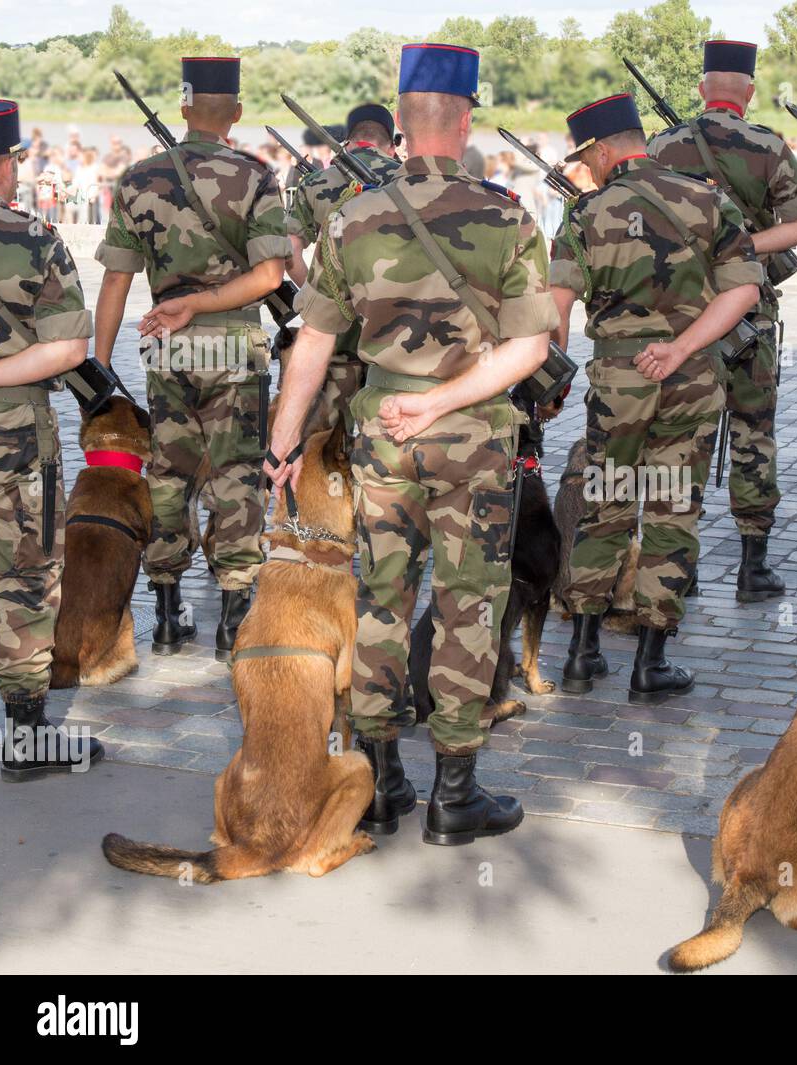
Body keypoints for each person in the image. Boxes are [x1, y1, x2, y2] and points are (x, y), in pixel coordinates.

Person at [266, 43, 557, 843]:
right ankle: (453, 795)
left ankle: (381, 778)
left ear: (399, 124)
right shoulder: (506, 216)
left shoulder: (353, 218)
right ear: (463, 122)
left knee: (382, 599)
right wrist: (443, 400)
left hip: (382, 442)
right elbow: (530, 349)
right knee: (469, 606)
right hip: (472, 442)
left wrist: (284, 444)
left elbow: (312, 345)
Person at [551, 92, 763, 702]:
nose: (583, 168)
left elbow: (555, 315)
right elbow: (743, 293)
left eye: (584, 156)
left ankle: (582, 653)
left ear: (602, 149)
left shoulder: (584, 215)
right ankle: (650, 662)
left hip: (616, 384)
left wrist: (553, 385)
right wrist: (679, 347)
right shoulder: (707, 199)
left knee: (605, 506)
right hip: (689, 378)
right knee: (672, 514)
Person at [93, 56, 290, 662]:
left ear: (183, 108)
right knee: (236, 475)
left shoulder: (137, 179)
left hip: (167, 343)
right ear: (234, 113)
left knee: (169, 474)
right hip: (233, 344)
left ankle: (168, 610)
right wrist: (208, 300)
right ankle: (233, 615)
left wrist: (100, 371)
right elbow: (270, 277)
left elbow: (116, 285)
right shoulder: (257, 175)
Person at [646, 39, 797, 603]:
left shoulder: (662, 146)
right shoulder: (767, 145)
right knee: (753, 432)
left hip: (681, 316)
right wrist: (745, 247)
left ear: (702, 89)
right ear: (748, 91)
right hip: (749, 313)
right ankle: (753, 567)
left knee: (678, 435)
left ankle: (679, 570)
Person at [0, 100, 103, 780]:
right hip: (12, 437)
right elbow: (68, 349)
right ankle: (26, 740)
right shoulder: (30, 237)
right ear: (2, 165)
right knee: (24, 580)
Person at [284, 102, 401, 436]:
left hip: (334, 342)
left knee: (329, 439)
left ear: (348, 141)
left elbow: (290, 253)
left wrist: (326, 298)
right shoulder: (407, 179)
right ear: (391, 145)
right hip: (394, 340)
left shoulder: (316, 183)